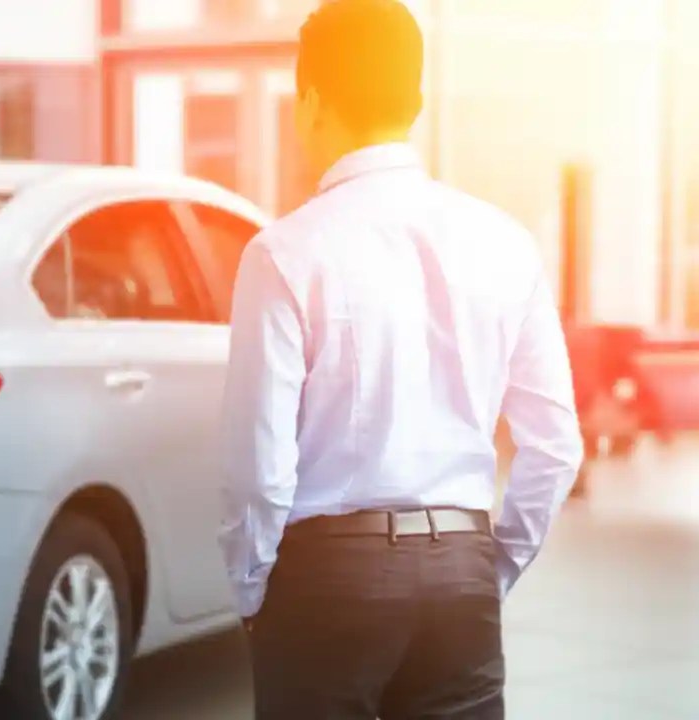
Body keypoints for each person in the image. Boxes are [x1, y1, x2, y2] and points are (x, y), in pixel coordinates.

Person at [217, 1, 585, 718]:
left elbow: (257, 465)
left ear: (311, 102)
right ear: (415, 101)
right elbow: (555, 446)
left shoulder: (284, 253)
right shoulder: (505, 241)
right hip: (463, 570)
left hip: (326, 577)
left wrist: (254, 588)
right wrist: (487, 567)